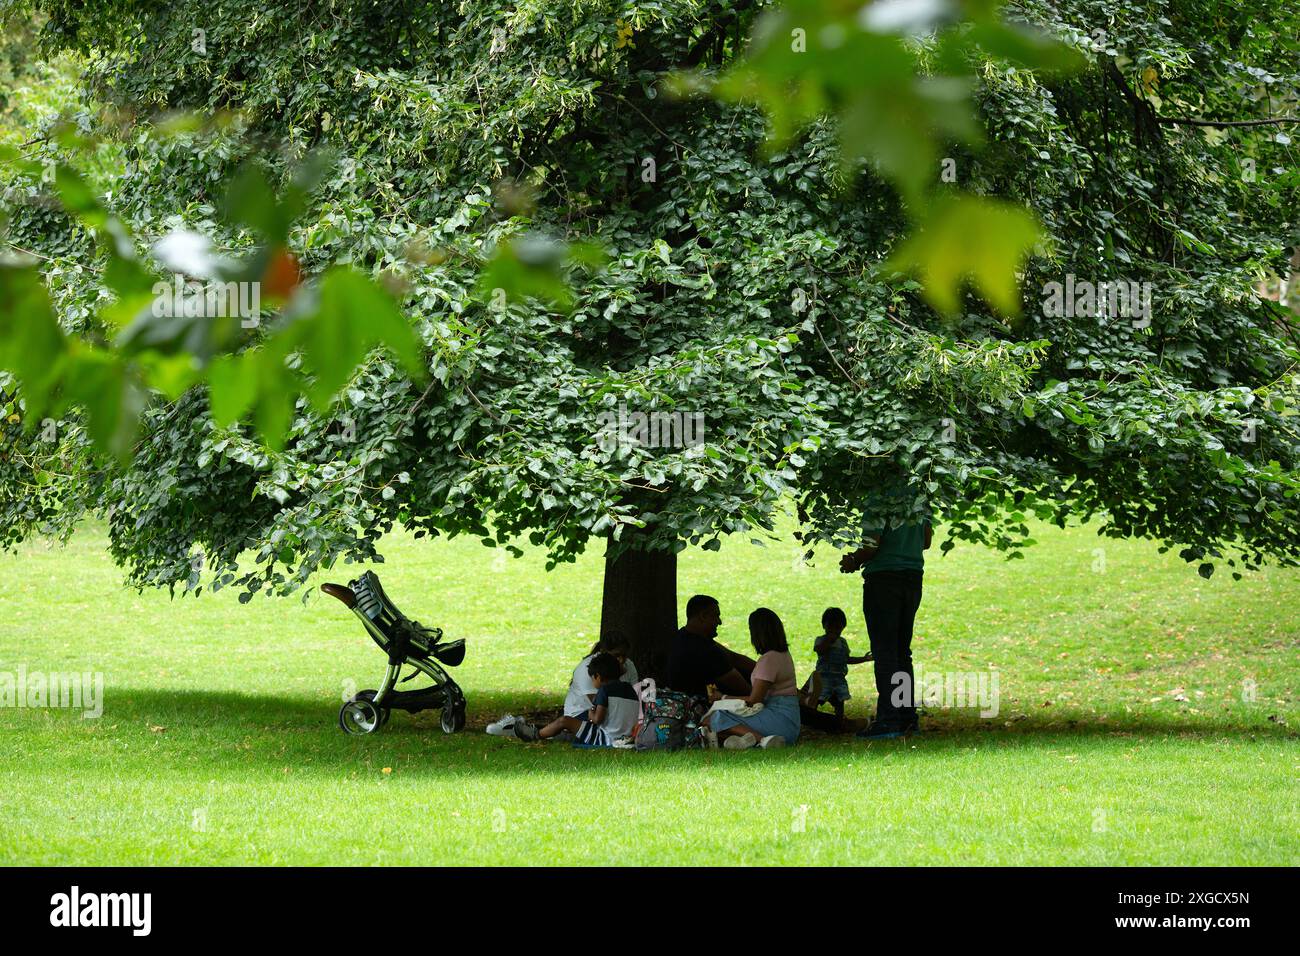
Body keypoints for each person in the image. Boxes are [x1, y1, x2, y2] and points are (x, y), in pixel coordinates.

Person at [840, 515, 932, 739]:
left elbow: (871, 545)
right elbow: (926, 541)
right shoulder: (919, 496)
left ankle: (889, 720)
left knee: (885, 653)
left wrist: (853, 560)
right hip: (912, 577)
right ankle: (907, 718)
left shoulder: (879, 500)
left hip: (883, 580)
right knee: (902, 652)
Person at [492, 634, 637, 738]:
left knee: (564, 727)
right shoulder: (589, 667)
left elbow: (629, 699)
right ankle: (526, 729)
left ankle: (537, 732)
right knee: (565, 723)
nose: (622, 660)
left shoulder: (627, 666)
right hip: (584, 711)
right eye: (617, 655)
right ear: (604, 653)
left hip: (604, 717)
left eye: (624, 655)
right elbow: (598, 704)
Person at [706, 607, 800, 750]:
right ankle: (747, 741)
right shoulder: (782, 655)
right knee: (720, 719)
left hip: (780, 722)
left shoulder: (769, 659)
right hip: (787, 720)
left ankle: (764, 740)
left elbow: (754, 699)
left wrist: (722, 697)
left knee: (715, 717)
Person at [514, 653, 639, 746]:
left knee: (565, 721)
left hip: (608, 739)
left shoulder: (604, 690)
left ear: (598, 677)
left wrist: (591, 713)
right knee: (576, 727)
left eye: (592, 679)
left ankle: (535, 735)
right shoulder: (630, 689)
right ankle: (550, 733)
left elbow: (597, 719)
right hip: (627, 737)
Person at [665, 594, 750, 699]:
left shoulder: (681, 636)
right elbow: (746, 690)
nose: (720, 622)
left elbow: (734, 658)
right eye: (716, 616)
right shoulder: (706, 651)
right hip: (704, 707)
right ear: (703, 616)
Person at [812, 607, 872, 726]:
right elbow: (819, 650)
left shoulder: (843, 642)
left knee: (840, 701)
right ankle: (812, 719)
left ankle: (840, 722)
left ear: (843, 627)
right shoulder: (821, 640)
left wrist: (864, 659)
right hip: (823, 678)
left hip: (839, 679)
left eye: (838, 628)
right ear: (824, 626)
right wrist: (829, 641)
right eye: (830, 627)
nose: (834, 631)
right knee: (816, 699)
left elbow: (847, 659)